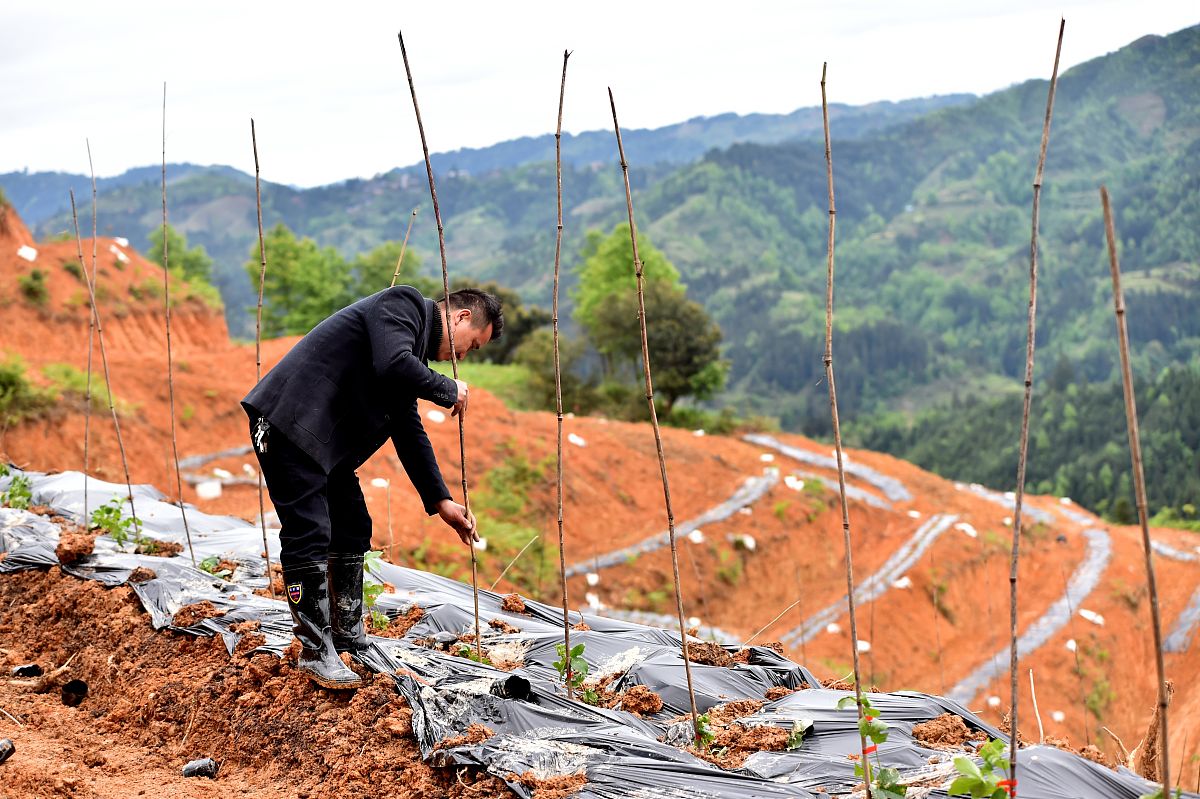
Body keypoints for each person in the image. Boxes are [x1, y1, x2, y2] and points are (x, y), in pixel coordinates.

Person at [242, 285, 503, 689]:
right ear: (461, 317)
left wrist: (442, 500)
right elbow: (393, 365)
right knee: (309, 532)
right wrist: (449, 389)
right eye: (471, 346)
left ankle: (346, 635)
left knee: (351, 526)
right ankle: (314, 649)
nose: (462, 358)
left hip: (320, 444)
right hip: (288, 425)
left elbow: (407, 426)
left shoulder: (408, 347)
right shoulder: (403, 306)